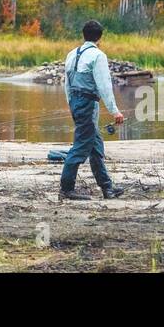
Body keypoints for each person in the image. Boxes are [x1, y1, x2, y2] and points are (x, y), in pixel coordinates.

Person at [59, 20, 126, 200]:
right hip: (87, 104)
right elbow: (104, 86)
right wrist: (115, 111)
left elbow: (67, 84)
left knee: (95, 147)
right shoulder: (98, 55)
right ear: (100, 37)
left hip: (76, 101)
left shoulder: (71, 54)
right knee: (81, 147)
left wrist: (71, 104)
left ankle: (107, 188)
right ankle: (66, 188)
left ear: (84, 34)